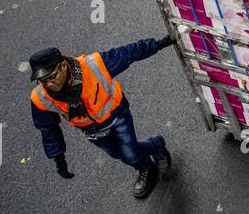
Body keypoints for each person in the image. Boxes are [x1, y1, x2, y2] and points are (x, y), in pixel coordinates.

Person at [28, 36, 175, 199]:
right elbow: (48, 129)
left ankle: (156, 146)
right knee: (119, 155)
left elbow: (129, 53)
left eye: (52, 77)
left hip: (118, 117)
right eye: (43, 80)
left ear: (63, 65)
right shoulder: (39, 97)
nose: (49, 84)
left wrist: (160, 44)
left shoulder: (93, 64)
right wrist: (58, 157)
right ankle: (147, 167)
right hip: (92, 131)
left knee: (130, 154)